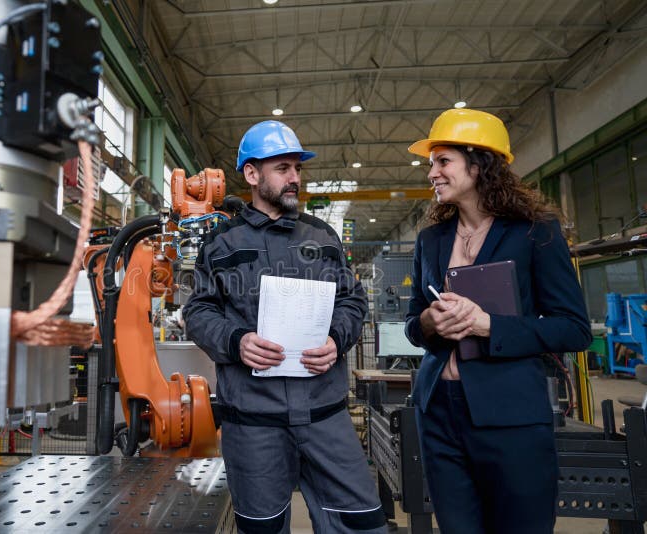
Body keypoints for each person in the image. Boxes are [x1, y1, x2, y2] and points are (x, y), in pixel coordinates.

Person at [183, 120, 387, 534]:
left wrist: (336, 338)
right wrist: (236, 341)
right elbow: (199, 312)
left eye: (297, 168)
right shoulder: (221, 243)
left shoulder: (323, 236)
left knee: (362, 523)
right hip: (254, 422)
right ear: (253, 175)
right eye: (283, 168)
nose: (295, 178)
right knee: (261, 528)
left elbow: (352, 299)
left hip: (326, 416)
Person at [404, 108, 592, 534]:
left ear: (479, 163)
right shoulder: (431, 239)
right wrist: (431, 322)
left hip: (511, 415)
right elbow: (414, 323)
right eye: (431, 164)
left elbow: (573, 327)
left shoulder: (533, 232)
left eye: (442, 161)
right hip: (439, 413)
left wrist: (490, 326)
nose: (432, 173)